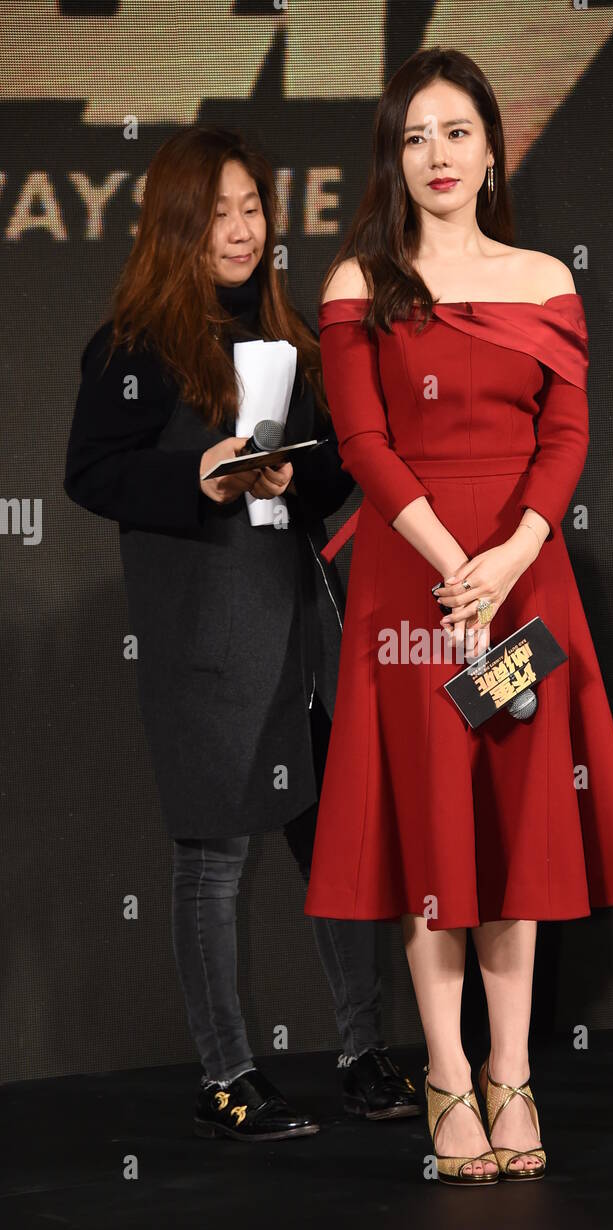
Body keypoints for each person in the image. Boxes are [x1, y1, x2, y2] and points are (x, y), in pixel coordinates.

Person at [303, 48, 613, 1186]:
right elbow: (362, 444)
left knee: (516, 834)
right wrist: (456, 565)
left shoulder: (545, 277)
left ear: (492, 148)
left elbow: (565, 440)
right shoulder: (358, 282)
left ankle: (513, 1073)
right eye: (413, 137)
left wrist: (508, 556)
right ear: (392, 161)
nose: (435, 155)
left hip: (523, 582)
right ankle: (445, 1076)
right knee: (431, 838)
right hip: (414, 586)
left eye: (454, 131)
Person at [65, 125, 420, 1141]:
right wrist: (198, 475)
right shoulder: (130, 348)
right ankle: (227, 1072)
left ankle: (363, 1054)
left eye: (251, 207)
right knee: (212, 861)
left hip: (298, 634)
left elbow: (336, 471)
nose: (239, 228)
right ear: (176, 223)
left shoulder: (294, 334)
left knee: (340, 845)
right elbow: (89, 475)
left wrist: (287, 473)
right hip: (202, 643)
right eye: (216, 210)